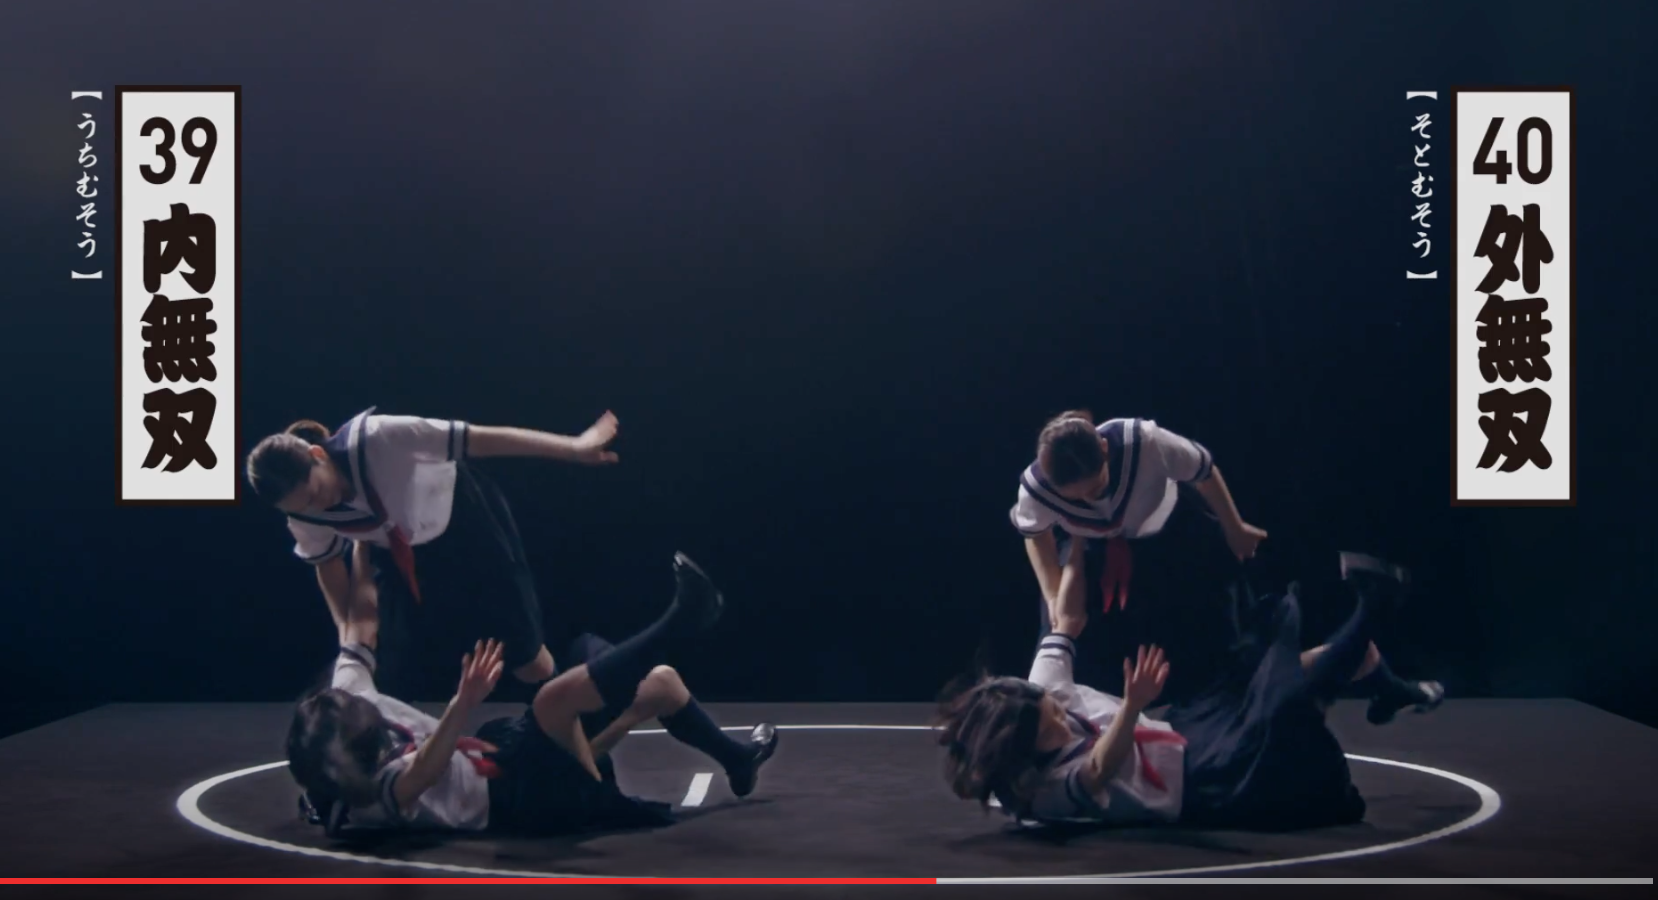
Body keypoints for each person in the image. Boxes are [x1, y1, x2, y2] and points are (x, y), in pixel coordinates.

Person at [288, 549, 780, 837]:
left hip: (501, 753)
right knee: (554, 701)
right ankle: (683, 619)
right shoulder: (375, 798)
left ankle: (737, 760)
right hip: (517, 799)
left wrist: (360, 536)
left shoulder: (348, 695)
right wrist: (463, 701)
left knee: (659, 682)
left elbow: (359, 621)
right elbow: (425, 771)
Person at [937, 551, 1442, 831]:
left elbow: (1064, 617)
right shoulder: (1040, 794)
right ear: (1024, 750)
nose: (1059, 718)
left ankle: (1392, 689)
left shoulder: (1038, 692)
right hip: (1206, 780)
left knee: (1290, 665)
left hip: (1184, 730)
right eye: (1050, 726)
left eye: (1052, 707)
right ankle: (1375, 604)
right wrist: (1131, 706)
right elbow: (1098, 770)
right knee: (1285, 702)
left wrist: (1075, 541)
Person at [1009, 410, 1436, 721]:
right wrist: (1053, 593)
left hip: (1175, 540)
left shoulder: (1145, 442)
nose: (1089, 500)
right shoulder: (1038, 487)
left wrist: (1234, 527)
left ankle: (1384, 679)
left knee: (1230, 653)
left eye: (1094, 488)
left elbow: (1204, 470)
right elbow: (1035, 533)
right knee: (1061, 636)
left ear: (1104, 449)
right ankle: (1032, 739)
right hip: (1099, 554)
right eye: (1076, 497)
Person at [246, 406, 621, 699]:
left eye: (315, 493)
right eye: (303, 507)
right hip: (397, 552)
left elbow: (480, 439)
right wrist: (346, 638)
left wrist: (574, 448)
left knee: (527, 661)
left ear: (318, 454)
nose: (317, 508)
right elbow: (328, 566)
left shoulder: (380, 437)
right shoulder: (304, 511)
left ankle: (572, 714)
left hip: (464, 522)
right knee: (387, 669)